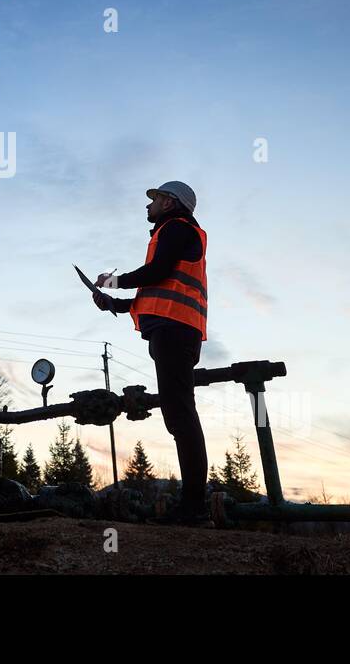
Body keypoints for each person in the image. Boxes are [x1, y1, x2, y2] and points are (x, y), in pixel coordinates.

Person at [92, 180, 211, 526]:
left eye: (155, 198)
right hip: (173, 331)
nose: (148, 205)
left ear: (171, 203)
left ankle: (193, 508)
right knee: (179, 415)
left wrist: (112, 282)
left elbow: (156, 273)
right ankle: (193, 506)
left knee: (181, 416)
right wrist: (113, 304)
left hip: (175, 333)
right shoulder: (173, 233)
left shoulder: (176, 229)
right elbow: (155, 294)